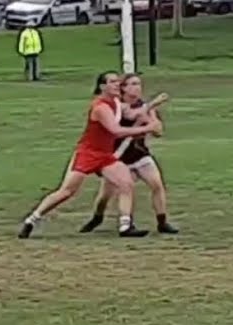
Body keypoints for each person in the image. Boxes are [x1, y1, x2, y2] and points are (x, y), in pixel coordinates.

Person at [18, 71, 163, 238]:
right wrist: (147, 128)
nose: (117, 85)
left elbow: (132, 114)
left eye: (117, 81)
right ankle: (32, 219)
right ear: (102, 86)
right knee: (66, 192)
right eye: (112, 82)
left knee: (126, 183)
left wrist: (152, 108)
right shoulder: (100, 107)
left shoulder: (116, 102)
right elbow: (115, 131)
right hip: (88, 153)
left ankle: (125, 226)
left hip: (105, 155)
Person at [80, 74, 178, 235]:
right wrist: (147, 113)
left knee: (157, 185)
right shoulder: (117, 106)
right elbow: (126, 119)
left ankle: (162, 222)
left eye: (138, 84)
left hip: (139, 153)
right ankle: (97, 217)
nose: (137, 88)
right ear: (123, 88)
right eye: (132, 84)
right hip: (116, 156)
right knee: (106, 195)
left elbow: (157, 130)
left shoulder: (145, 106)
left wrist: (150, 120)